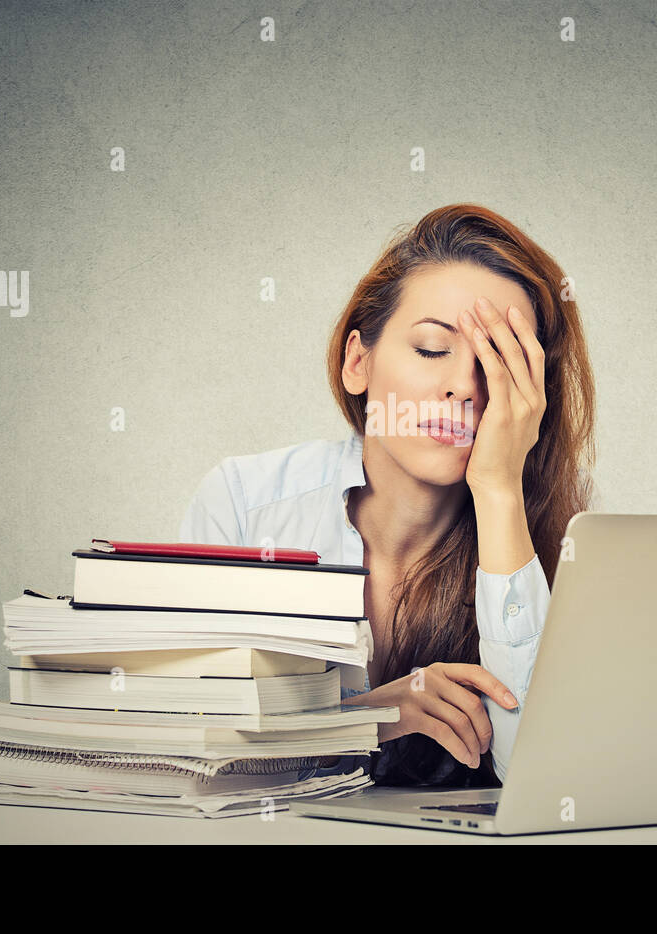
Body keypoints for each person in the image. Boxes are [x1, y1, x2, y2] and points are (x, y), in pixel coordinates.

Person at [180, 203, 597, 787]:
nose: (464, 386)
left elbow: (545, 775)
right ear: (358, 361)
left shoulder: (558, 540)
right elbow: (184, 747)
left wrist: (499, 489)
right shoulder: (245, 505)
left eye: (500, 363)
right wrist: (361, 721)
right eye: (431, 348)